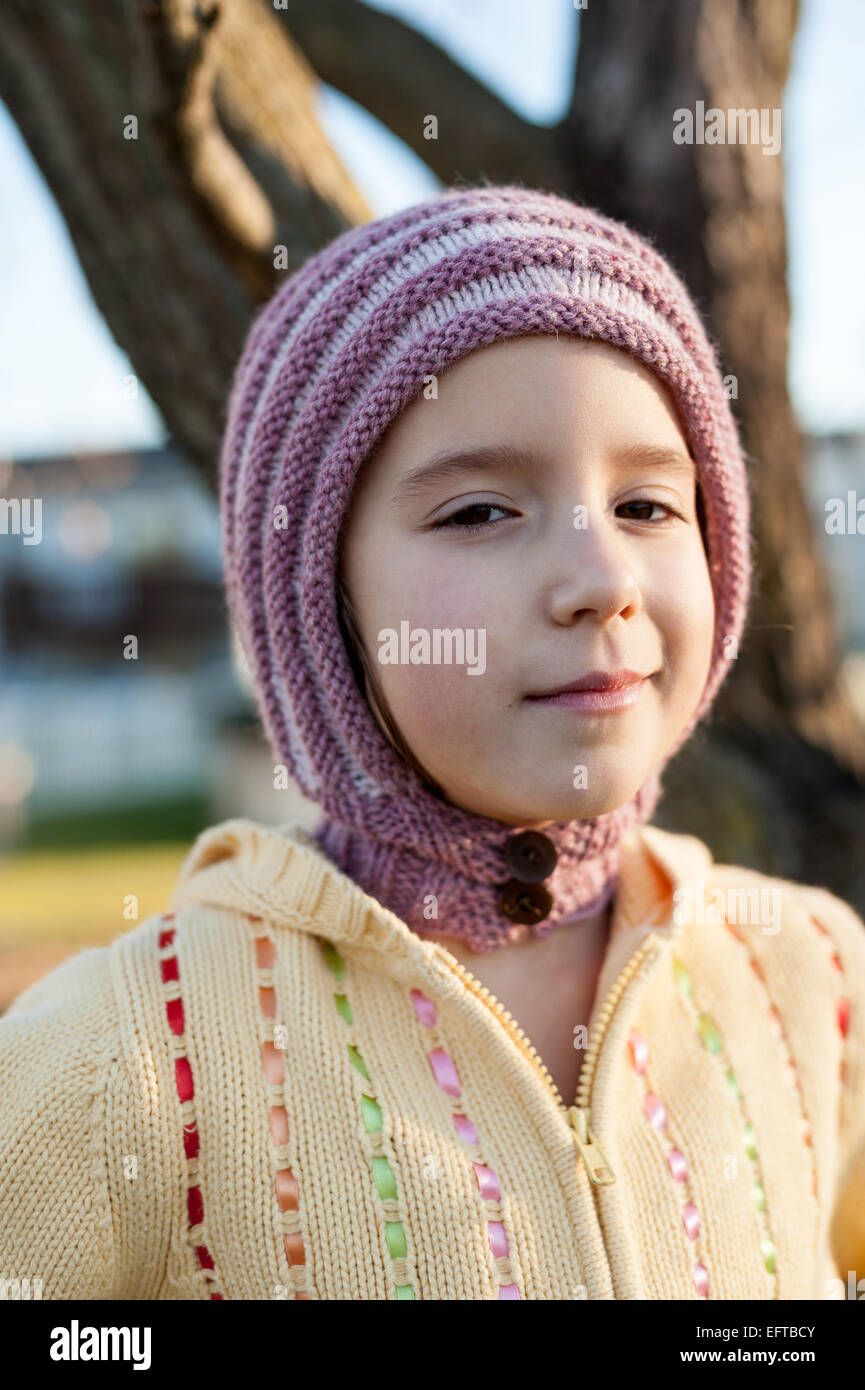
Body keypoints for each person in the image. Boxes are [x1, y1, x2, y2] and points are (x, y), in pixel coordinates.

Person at [2, 183, 864, 1301]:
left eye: (648, 505)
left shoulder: (812, 973)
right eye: (479, 512)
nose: (601, 578)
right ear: (322, 603)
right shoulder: (115, 1061)